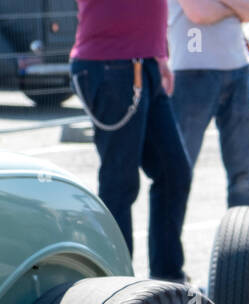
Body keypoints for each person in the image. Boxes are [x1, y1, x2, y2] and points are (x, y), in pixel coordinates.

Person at [69, 0, 191, 280]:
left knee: (174, 174)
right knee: (120, 183)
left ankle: (167, 278)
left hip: (143, 61)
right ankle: (117, 283)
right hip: (111, 65)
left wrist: (158, 54)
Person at [168, 0, 249, 209]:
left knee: (241, 173)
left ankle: (243, 235)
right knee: (178, 172)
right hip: (191, 75)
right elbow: (199, 13)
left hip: (238, 72)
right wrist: (239, 10)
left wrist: (221, 7)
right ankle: (168, 241)